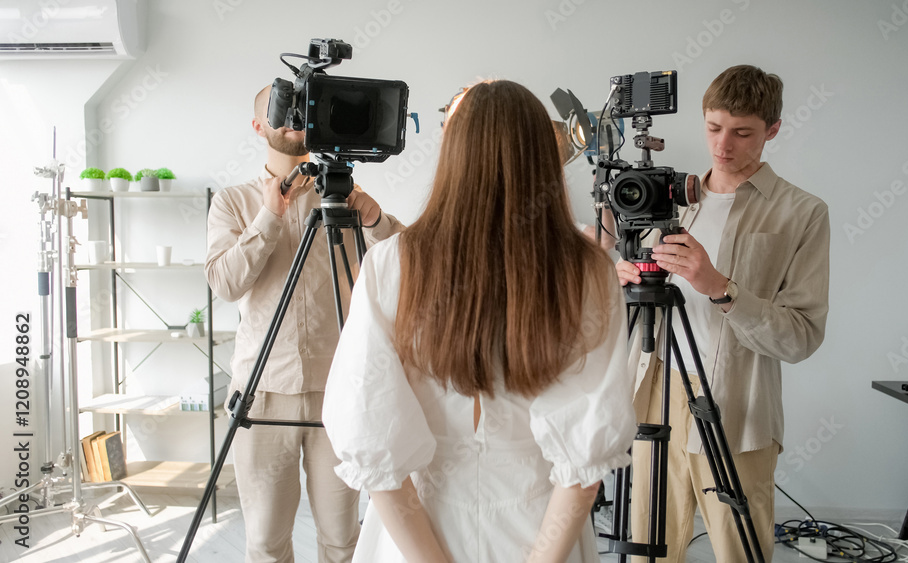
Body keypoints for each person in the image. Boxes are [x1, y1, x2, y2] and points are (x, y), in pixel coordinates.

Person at [322, 80, 636, 562]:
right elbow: (582, 468)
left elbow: (374, 445)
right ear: (544, 158)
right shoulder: (589, 273)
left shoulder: (391, 264)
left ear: (453, 156)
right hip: (540, 529)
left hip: (417, 535)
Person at [623, 65, 830, 562]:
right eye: (714, 128)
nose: (723, 146)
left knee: (740, 549)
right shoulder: (669, 198)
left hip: (739, 401)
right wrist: (624, 277)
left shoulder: (802, 212)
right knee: (651, 545)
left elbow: (801, 337)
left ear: (772, 130)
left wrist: (719, 287)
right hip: (657, 391)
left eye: (742, 133)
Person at [205, 84, 404, 563]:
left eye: (302, 112)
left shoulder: (345, 201)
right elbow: (224, 282)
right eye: (282, 113)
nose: (294, 120)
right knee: (266, 544)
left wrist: (375, 220)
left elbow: (407, 267)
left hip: (338, 389)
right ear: (259, 126)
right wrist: (269, 216)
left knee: (342, 539)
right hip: (263, 389)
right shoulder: (233, 203)